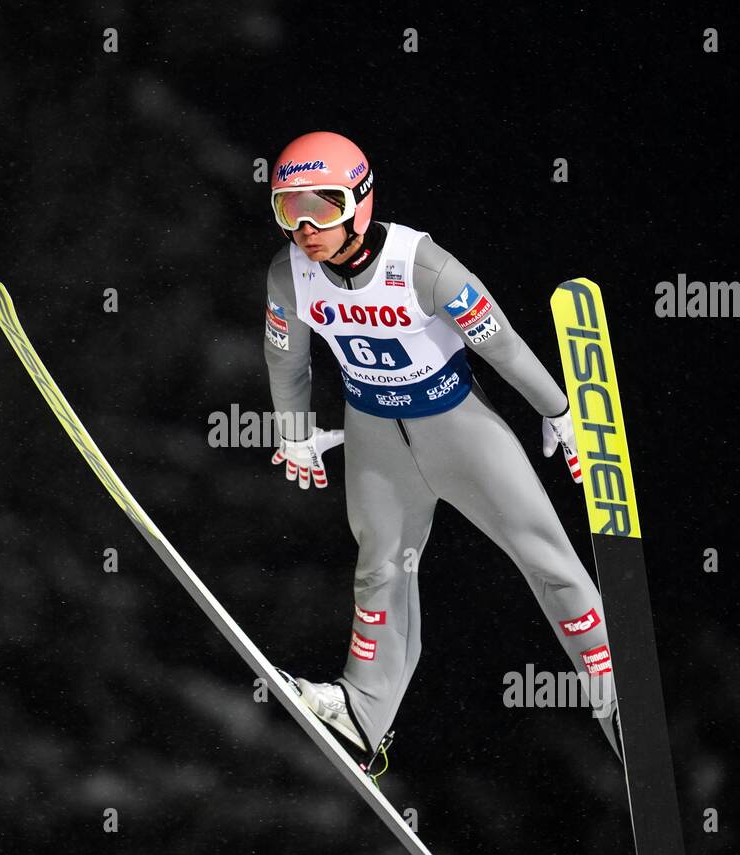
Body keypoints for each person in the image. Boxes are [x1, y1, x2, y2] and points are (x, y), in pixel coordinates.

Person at [263, 131, 622, 769]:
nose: (307, 227)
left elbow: (502, 344)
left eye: (323, 205)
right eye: (289, 210)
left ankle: (613, 698)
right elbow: (285, 359)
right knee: (380, 570)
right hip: (375, 435)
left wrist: (560, 412)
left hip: (457, 428)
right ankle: (361, 713)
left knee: (546, 559)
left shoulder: (424, 267)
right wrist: (293, 433)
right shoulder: (289, 276)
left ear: (360, 201)